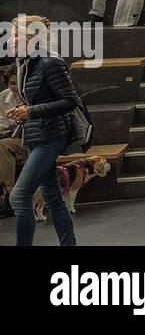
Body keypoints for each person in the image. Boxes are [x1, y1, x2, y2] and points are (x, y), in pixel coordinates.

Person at [5, 14, 78, 246]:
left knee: (19, 196)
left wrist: (31, 111)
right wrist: (25, 111)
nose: (10, 40)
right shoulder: (27, 63)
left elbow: (70, 101)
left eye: (15, 35)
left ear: (31, 38)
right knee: (52, 196)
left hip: (51, 135)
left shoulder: (50, 63)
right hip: (36, 134)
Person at [0, 65, 27, 219]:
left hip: (32, 139)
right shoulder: (3, 97)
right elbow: (2, 123)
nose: (15, 87)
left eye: (18, 82)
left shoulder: (33, 94)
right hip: (12, 137)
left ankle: (9, 195)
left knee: (3, 146)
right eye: (11, 83)